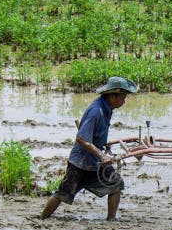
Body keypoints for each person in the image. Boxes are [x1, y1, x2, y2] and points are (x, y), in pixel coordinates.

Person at [41, 76, 138, 221]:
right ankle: (42, 218)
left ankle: (111, 220)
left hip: (94, 163)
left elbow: (94, 135)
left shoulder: (107, 109)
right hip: (80, 163)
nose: (124, 101)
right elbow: (81, 138)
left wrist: (104, 146)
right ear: (112, 96)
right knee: (63, 193)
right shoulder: (96, 111)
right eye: (123, 97)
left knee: (116, 184)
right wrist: (102, 155)